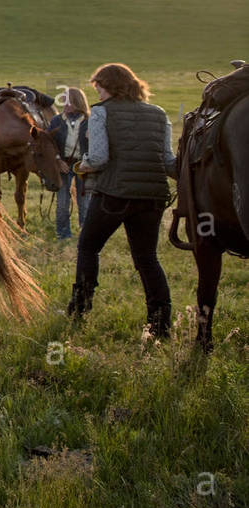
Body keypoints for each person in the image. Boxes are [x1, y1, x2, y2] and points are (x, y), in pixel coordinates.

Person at [68, 63, 177, 338]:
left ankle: (80, 309)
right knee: (147, 258)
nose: (99, 94)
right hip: (152, 197)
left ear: (110, 87)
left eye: (99, 88)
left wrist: (81, 166)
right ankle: (160, 321)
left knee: (88, 248)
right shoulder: (159, 113)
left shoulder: (102, 112)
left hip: (114, 194)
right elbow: (167, 162)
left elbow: (100, 158)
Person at [48, 87, 90, 239]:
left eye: (68, 100)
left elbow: (99, 145)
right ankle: (63, 235)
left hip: (83, 166)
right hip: (63, 164)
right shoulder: (56, 121)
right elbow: (49, 144)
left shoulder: (90, 121)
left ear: (77, 102)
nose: (64, 103)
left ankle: (86, 234)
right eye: (63, 99)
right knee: (62, 203)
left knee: (85, 203)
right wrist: (58, 161)